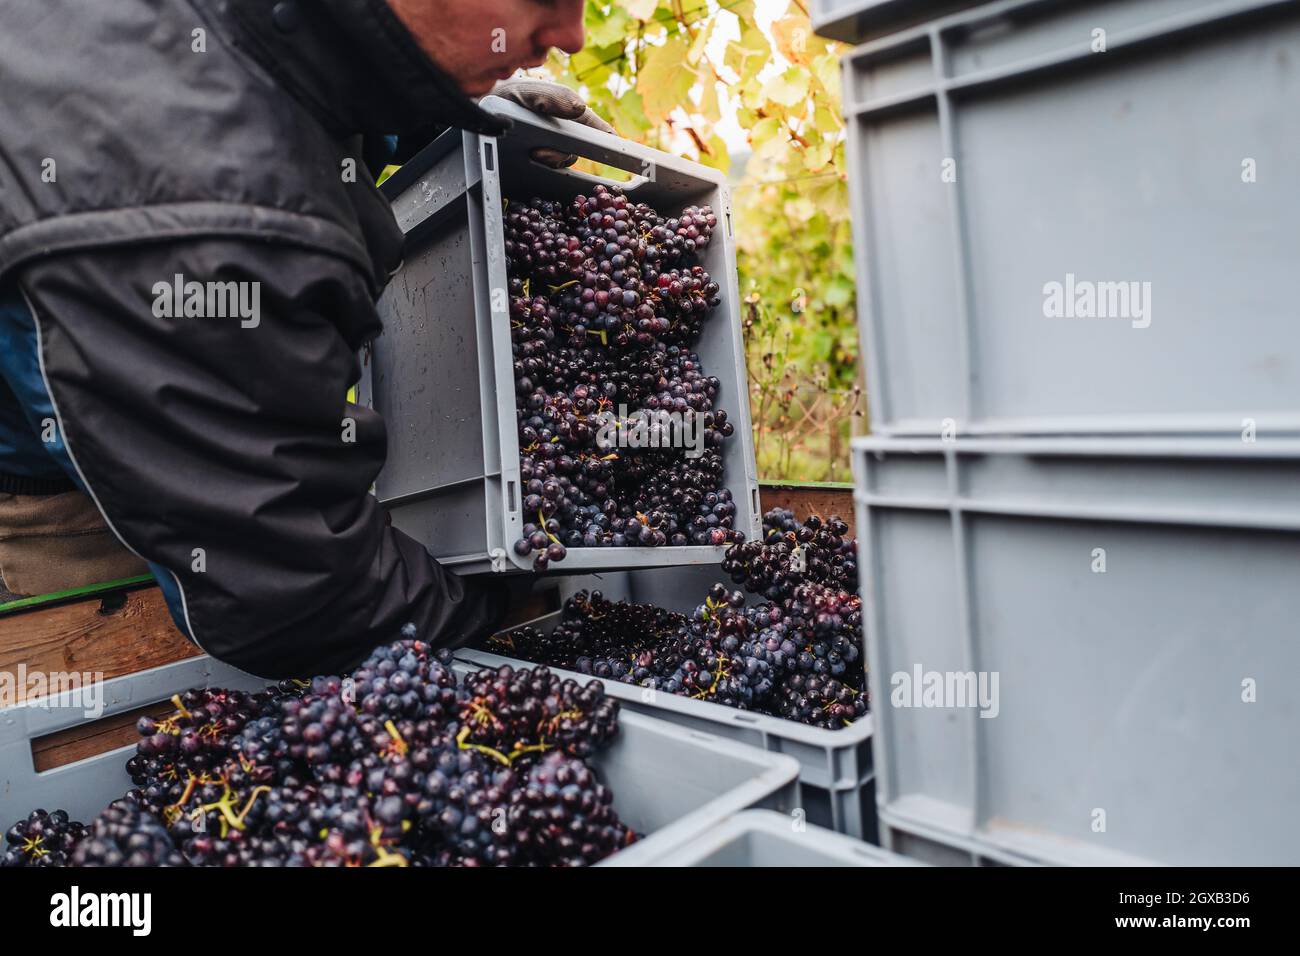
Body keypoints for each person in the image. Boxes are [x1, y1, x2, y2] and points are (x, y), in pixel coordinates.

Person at [0, 0, 610, 677]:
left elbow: (295, 62)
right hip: (67, 507)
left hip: (187, 449)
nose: (570, 36)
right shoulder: (195, 221)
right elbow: (297, 598)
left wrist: (421, 104)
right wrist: (500, 614)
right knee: (110, 692)